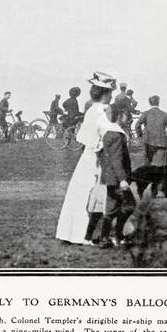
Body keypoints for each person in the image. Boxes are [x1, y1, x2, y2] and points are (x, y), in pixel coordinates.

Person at [56, 72, 120, 244]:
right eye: (110, 93)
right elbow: (107, 137)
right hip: (98, 158)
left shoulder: (91, 109)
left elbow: (83, 137)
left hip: (86, 157)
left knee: (80, 193)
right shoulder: (103, 111)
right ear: (105, 93)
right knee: (98, 195)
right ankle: (95, 234)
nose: (111, 95)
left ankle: (73, 232)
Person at [86, 105, 134, 247]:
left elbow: (103, 155)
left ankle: (108, 237)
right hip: (116, 179)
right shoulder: (117, 135)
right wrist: (123, 179)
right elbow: (116, 159)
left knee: (114, 207)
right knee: (128, 205)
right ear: (119, 117)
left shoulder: (109, 132)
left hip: (110, 177)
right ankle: (111, 236)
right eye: (126, 116)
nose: (128, 119)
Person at [135, 95, 167, 166]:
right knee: (160, 164)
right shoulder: (163, 114)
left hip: (148, 141)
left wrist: (140, 135)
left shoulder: (146, 113)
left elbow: (137, 125)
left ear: (150, 103)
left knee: (147, 163)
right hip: (161, 142)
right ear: (158, 102)